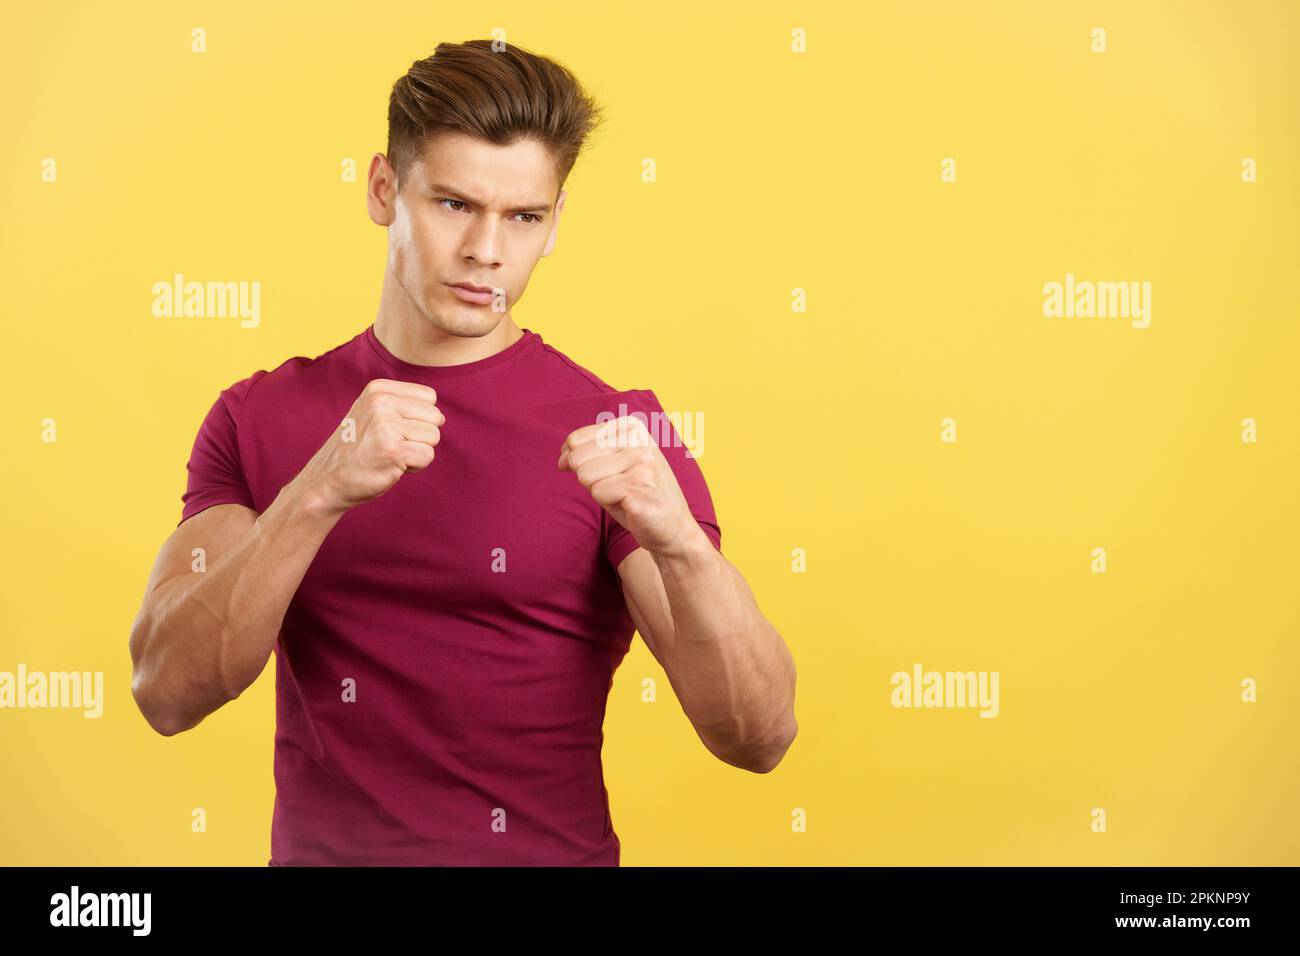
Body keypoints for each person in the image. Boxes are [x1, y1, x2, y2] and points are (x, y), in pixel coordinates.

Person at [128, 39, 797, 866]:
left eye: (524, 217)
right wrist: (318, 493)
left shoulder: (621, 430)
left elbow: (757, 737)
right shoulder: (261, 415)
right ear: (384, 190)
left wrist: (682, 547)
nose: (488, 250)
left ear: (555, 224)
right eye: (453, 205)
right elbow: (165, 690)